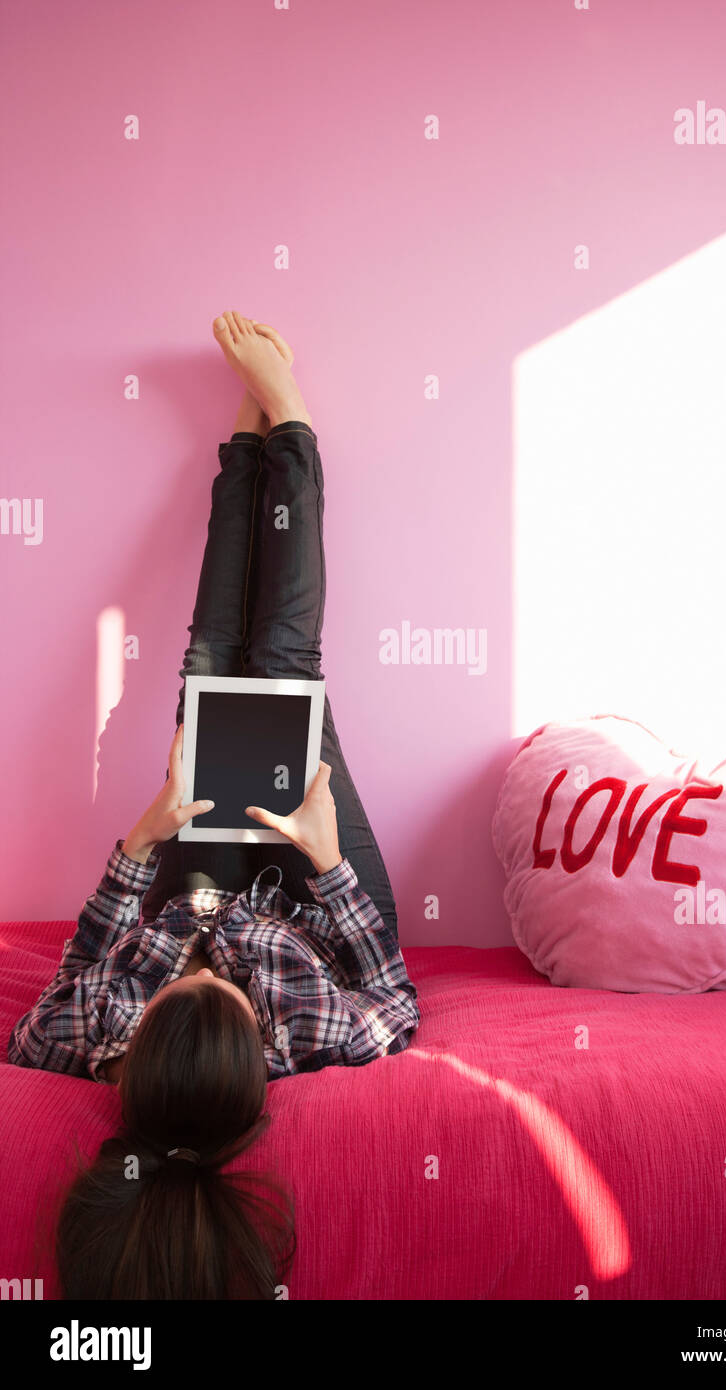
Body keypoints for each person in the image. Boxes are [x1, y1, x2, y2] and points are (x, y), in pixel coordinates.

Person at [7, 312, 420, 1298]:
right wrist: (324, 858)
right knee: (281, 669)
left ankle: (243, 450)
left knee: (205, 661)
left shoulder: (87, 1035)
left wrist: (143, 838)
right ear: (254, 1034)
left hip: (189, 879)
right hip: (309, 886)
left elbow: (48, 1012)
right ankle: (291, 427)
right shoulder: (312, 1027)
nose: (207, 964)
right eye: (221, 986)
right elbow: (395, 1008)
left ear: (138, 1049)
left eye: (177, 987)